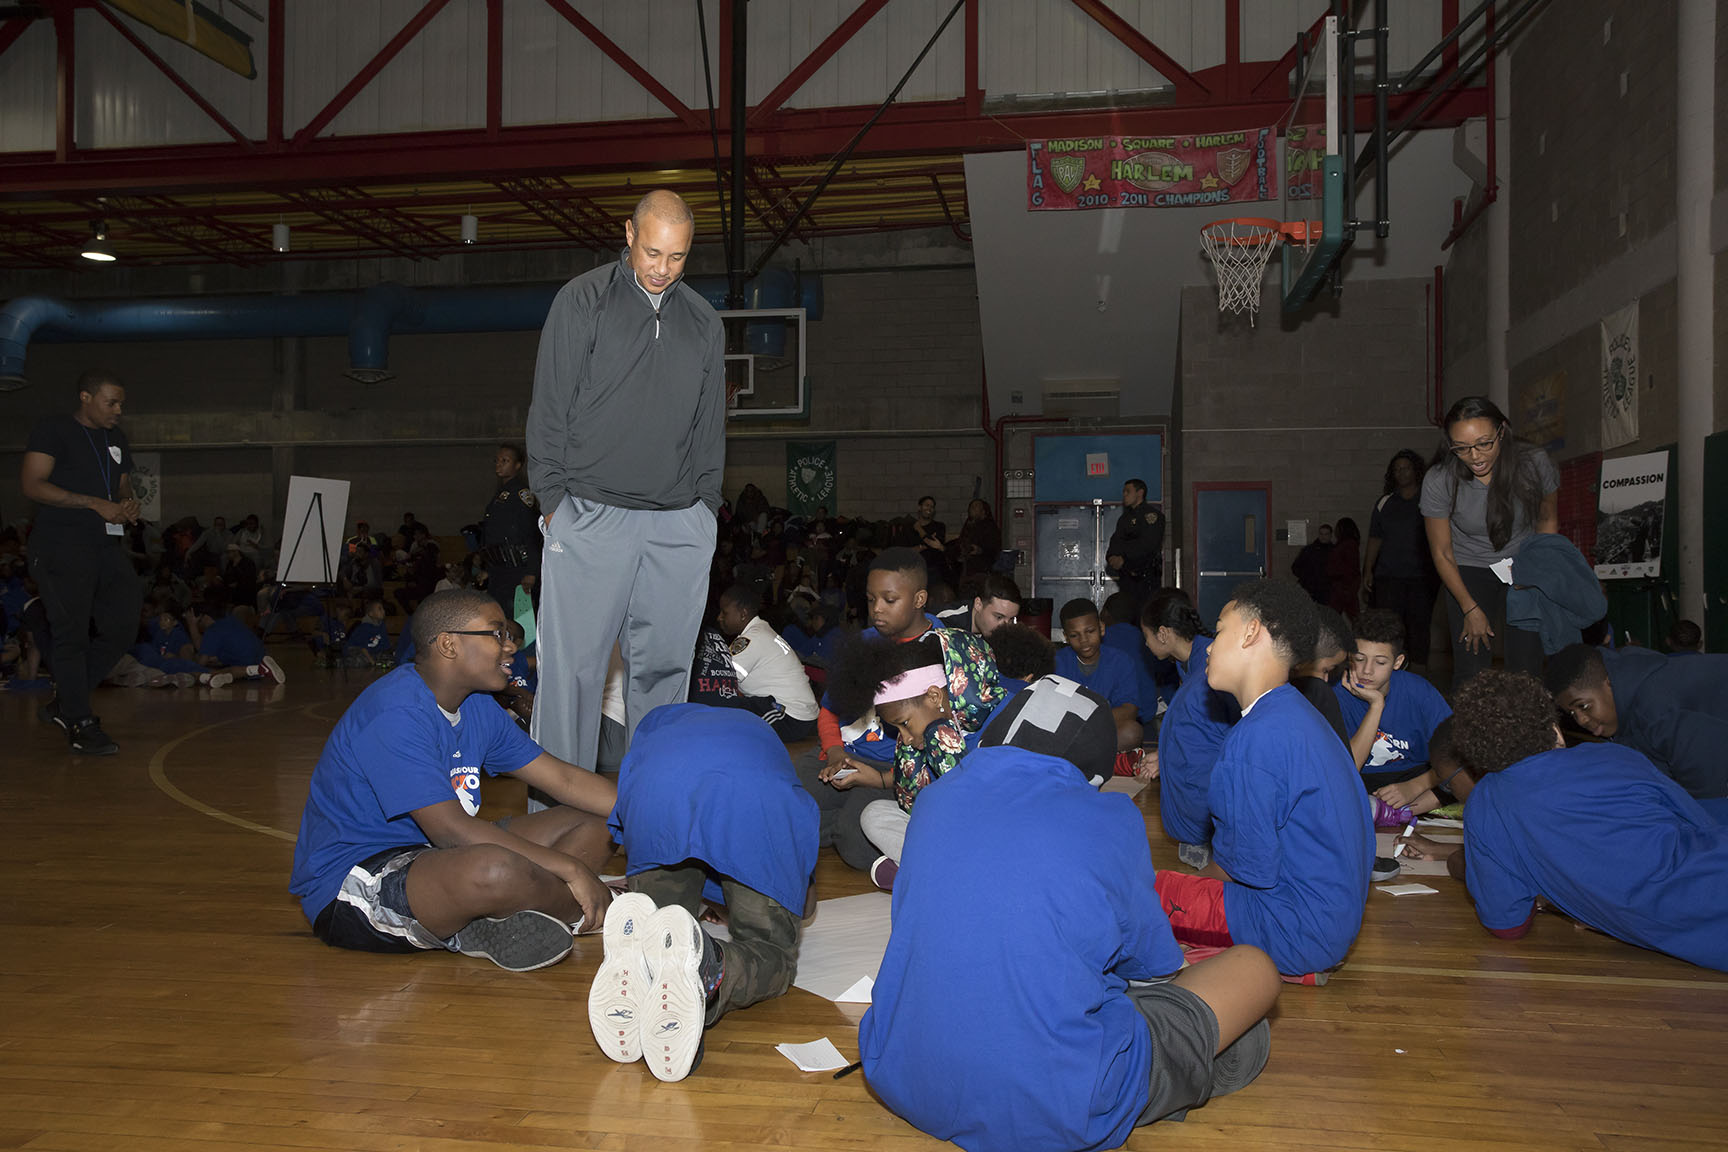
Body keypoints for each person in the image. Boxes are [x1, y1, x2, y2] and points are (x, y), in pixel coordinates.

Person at [859, 675, 1279, 1152]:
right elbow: (1156, 966)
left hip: (902, 1073)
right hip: (1056, 1107)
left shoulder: (935, 800)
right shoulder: (1112, 818)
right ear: (1092, 776)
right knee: (1253, 975)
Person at [288, 589, 618, 971]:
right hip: (354, 884)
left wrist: (650, 815)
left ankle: (497, 919)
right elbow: (451, 832)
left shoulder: (476, 705)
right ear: (449, 645)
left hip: (436, 855)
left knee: (598, 824)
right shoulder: (394, 712)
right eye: (497, 634)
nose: (511, 645)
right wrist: (573, 869)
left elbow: (564, 779)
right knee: (493, 870)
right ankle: (608, 915)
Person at [527, 189, 724, 774]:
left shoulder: (705, 322)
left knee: (666, 676)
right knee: (574, 678)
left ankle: (652, 819)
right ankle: (555, 828)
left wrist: (705, 509)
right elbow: (550, 406)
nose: (663, 268)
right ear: (630, 235)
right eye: (654, 252)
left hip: (679, 522)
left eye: (678, 257)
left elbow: (710, 426)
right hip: (589, 516)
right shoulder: (582, 300)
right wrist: (553, 501)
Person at [1153, 579, 1374, 982]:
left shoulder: (1254, 739)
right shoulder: (1297, 715)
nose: (1209, 647)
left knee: (1139, 897)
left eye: (1218, 631)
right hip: (1331, 920)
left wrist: (1184, 896)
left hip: (1294, 930)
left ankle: (1262, 962)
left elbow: (1243, 872)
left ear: (1251, 631)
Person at [589, 703, 818, 1082]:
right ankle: (710, 969)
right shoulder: (765, 740)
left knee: (660, 928)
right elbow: (800, 893)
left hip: (658, 792)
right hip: (753, 804)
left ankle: (643, 962)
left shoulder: (659, 720)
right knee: (773, 953)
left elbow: (628, 804)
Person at [1443, 670, 1728, 971]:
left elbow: (1507, 925)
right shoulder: (1615, 756)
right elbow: (1703, 825)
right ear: (1554, 730)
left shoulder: (1486, 804)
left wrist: (1562, 898)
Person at [799, 549, 950, 871]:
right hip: (848, 750)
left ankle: (840, 826)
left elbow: (952, 744)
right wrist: (836, 752)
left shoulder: (947, 648)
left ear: (919, 598)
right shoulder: (862, 644)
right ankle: (833, 821)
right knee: (783, 798)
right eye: (870, 600)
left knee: (854, 844)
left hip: (900, 766)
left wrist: (881, 779)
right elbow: (828, 712)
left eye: (889, 600)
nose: (877, 609)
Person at [823, 629, 1005, 889]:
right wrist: (878, 779)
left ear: (934, 696)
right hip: (952, 836)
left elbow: (986, 805)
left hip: (994, 829)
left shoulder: (995, 722)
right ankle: (942, 874)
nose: (906, 738)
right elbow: (924, 798)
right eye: (898, 730)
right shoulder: (931, 725)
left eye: (905, 724)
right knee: (874, 814)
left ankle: (933, 875)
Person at [21, 371, 143, 754]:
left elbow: (121, 484)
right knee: (70, 635)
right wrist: (93, 503)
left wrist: (128, 501)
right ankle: (78, 721)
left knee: (124, 625)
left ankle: (66, 701)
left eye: (121, 403)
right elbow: (33, 484)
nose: (118, 410)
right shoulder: (53, 430)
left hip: (104, 548)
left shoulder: (116, 438)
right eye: (111, 402)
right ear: (86, 397)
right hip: (60, 546)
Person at [1421, 396, 1560, 688]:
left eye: (1484, 443)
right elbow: (1442, 552)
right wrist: (1469, 608)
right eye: (1462, 448)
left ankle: (1528, 730)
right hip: (1468, 567)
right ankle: (1471, 731)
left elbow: (1547, 520)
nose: (1475, 456)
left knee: (1526, 664)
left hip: (1523, 561)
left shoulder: (1533, 463)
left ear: (1502, 431)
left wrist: (1538, 572)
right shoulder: (1440, 478)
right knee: (1472, 666)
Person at [1544, 643, 1728, 799]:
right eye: (1572, 713)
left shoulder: (1656, 708)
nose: (1581, 720)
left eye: (1583, 706)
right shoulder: (1628, 708)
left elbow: (1709, 792)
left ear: (1609, 683)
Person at [1140, 588, 1240, 865]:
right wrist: (1165, 755)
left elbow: (1225, 736)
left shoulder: (1210, 669)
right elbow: (1198, 729)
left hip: (1212, 809)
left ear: (1162, 634)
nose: (1146, 644)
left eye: (1146, 636)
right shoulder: (1188, 665)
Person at [1336, 609, 1454, 814]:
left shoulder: (1419, 691)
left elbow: (1456, 754)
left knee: (1464, 778)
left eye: (1380, 662)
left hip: (1415, 776)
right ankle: (1387, 813)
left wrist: (1415, 786)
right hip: (1358, 777)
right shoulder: (1334, 692)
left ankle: (1400, 812)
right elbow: (1346, 769)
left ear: (1397, 662)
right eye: (1359, 658)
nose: (1367, 670)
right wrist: (1376, 706)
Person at [714, 583, 820, 743]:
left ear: (743, 614)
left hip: (791, 717)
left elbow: (720, 680)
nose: (719, 617)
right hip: (801, 714)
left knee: (723, 711)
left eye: (724, 613)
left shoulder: (751, 639)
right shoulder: (760, 631)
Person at [1364, 449, 1438, 667]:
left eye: (1405, 468)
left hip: (1421, 577)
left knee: (1419, 627)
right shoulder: (1385, 503)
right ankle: (1390, 668)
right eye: (1396, 470)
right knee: (1389, 627)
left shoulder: (1429, 500)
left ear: (1416, 471)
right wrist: (1367, 570)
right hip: (1388, 576)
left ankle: (1418, 672)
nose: (1401, 473)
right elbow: (1375, 539)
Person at [1054, 598, 1144, 753]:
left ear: (1101, 628)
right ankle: (1090, 757)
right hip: (1067, 734)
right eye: (1075, 635)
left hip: (1103, 732)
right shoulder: (1057, 662)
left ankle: (1082, 757)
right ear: (1066, 637)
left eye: (1090, 631)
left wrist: (1086, 719)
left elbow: (1129, 710)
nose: (1084, 640)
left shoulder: (1121, 661)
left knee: (1132, 732)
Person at [480, 443, 541, 619]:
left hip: (518, 570)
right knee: (500, 620)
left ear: (518, 465)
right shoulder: (500, 495)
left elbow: (531, 533)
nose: (499, 464)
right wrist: (489, 569)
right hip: (500, 570)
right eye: (497, 460)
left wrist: (531, 572)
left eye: (505, 461)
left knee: (522, 623)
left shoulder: (521, 494)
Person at [1106, 478, 1165, 601]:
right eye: (1123, 492)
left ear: (1140, 493)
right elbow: (1116, 541)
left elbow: (1148, 545)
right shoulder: (1124, 519)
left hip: (1145, 577)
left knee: (1144, 614)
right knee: (1127, 613)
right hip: (1127, 578)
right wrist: (1112, 557)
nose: (1124, 495)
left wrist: (1124, 558)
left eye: (1128, 491)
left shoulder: (1151, 515)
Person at [934, 572, 1023, 638]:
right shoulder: (944, 623)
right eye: (999, 617)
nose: (1005, 627)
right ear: (978, 604)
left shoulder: (1006, 634)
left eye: (1011, 619)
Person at [953, 497, 1002, 579]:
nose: (972, 509)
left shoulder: (990, 527)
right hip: (966, 568)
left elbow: (994, 548)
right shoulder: (968, 525)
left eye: (975, 506)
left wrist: (981, 550)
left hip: (982, 569)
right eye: (971, 506)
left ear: (983, 511)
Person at [1327, 516, 1362, 620]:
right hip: (1343, 584)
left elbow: (1351, 567)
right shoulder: (1347, 544)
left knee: (1335, 617)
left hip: (1343, 585)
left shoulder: (1347, 545)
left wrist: (1345, 587)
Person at [1290, 523, 1334, 605]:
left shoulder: (1334, 551)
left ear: (1331, 535)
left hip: (1326, 589)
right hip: (1310, 589)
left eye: (1326, 534)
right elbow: (1295, 567)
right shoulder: (1309, 550)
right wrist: (1307, 578)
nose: (1323, 536)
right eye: (1321, 534)